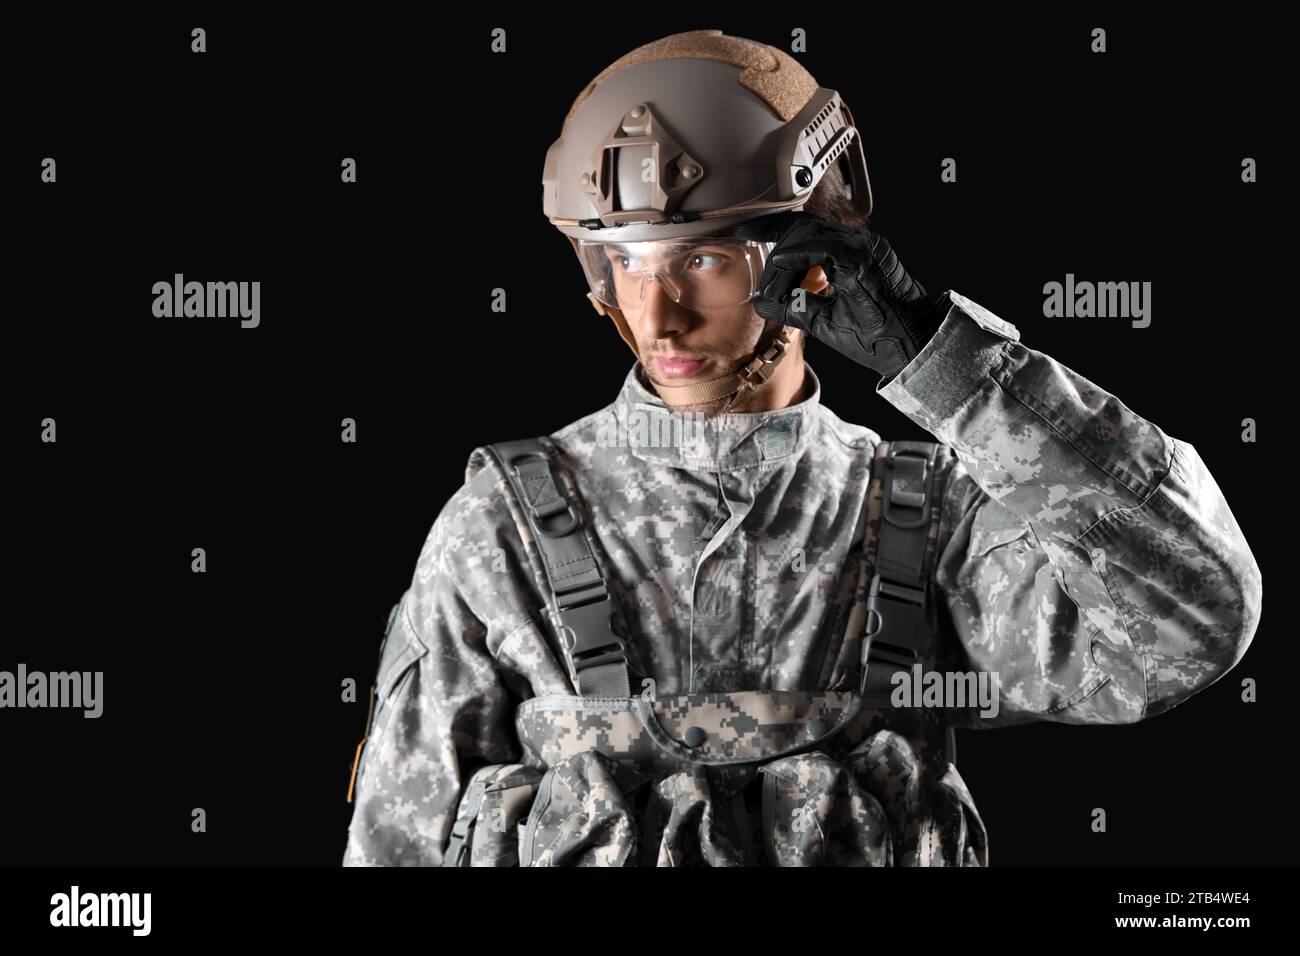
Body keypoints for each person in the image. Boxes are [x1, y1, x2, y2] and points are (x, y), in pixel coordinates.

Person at [342, 29, 1261, 866]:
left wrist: (947, 365)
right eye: (628, 260)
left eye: (704, 259)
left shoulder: (926, 515)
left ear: (810, 250)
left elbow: (1189, 626)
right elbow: (395, 838)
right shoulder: (498, 526)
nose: (657, 315)